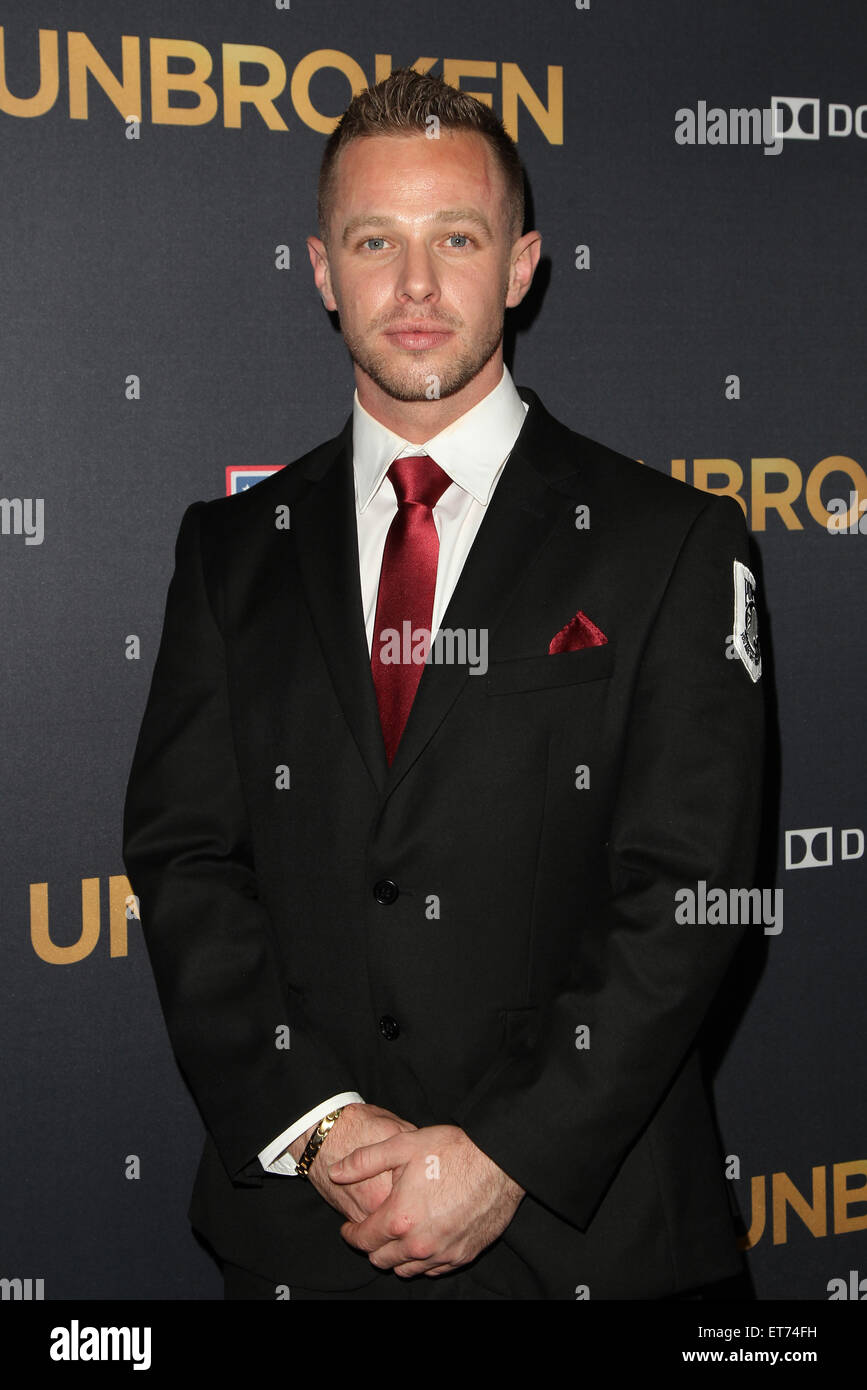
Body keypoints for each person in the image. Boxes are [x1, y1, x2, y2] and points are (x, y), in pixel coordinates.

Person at [122, 67, 765, 1301]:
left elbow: (694, 893)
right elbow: (187, 860)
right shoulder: (228, 550)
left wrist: (508, 1154)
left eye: (456, 238)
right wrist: (317, 1121)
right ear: (321, 270)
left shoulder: (670, 542)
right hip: (309, 1237)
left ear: (521, 264)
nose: (416, 288)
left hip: (591, 1239)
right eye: (377, 241)